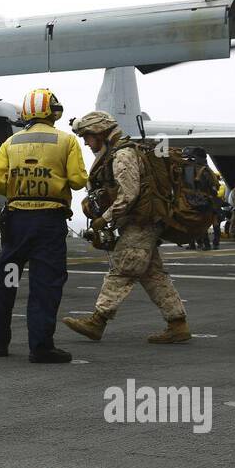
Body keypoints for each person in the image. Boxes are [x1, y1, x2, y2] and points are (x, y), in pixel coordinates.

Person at [63, 112, 190, 344]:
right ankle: (177, 323)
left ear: (101, 132)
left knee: (122, 269)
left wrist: (105, 218)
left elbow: (128, 195)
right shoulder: (118, 152)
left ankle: (97, 321)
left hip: (139, 224)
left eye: (88, 136)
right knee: (153, 275)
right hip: (142, 223)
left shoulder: (123, 154)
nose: (86, 142)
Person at [0, 88, 87, 363]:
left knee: (6, 279)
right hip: (49, 222)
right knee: (45, 284)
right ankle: (40, 347)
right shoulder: (66, 141)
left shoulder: (10, 143)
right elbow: (78, 181)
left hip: (17, 222)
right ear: (53, 111)